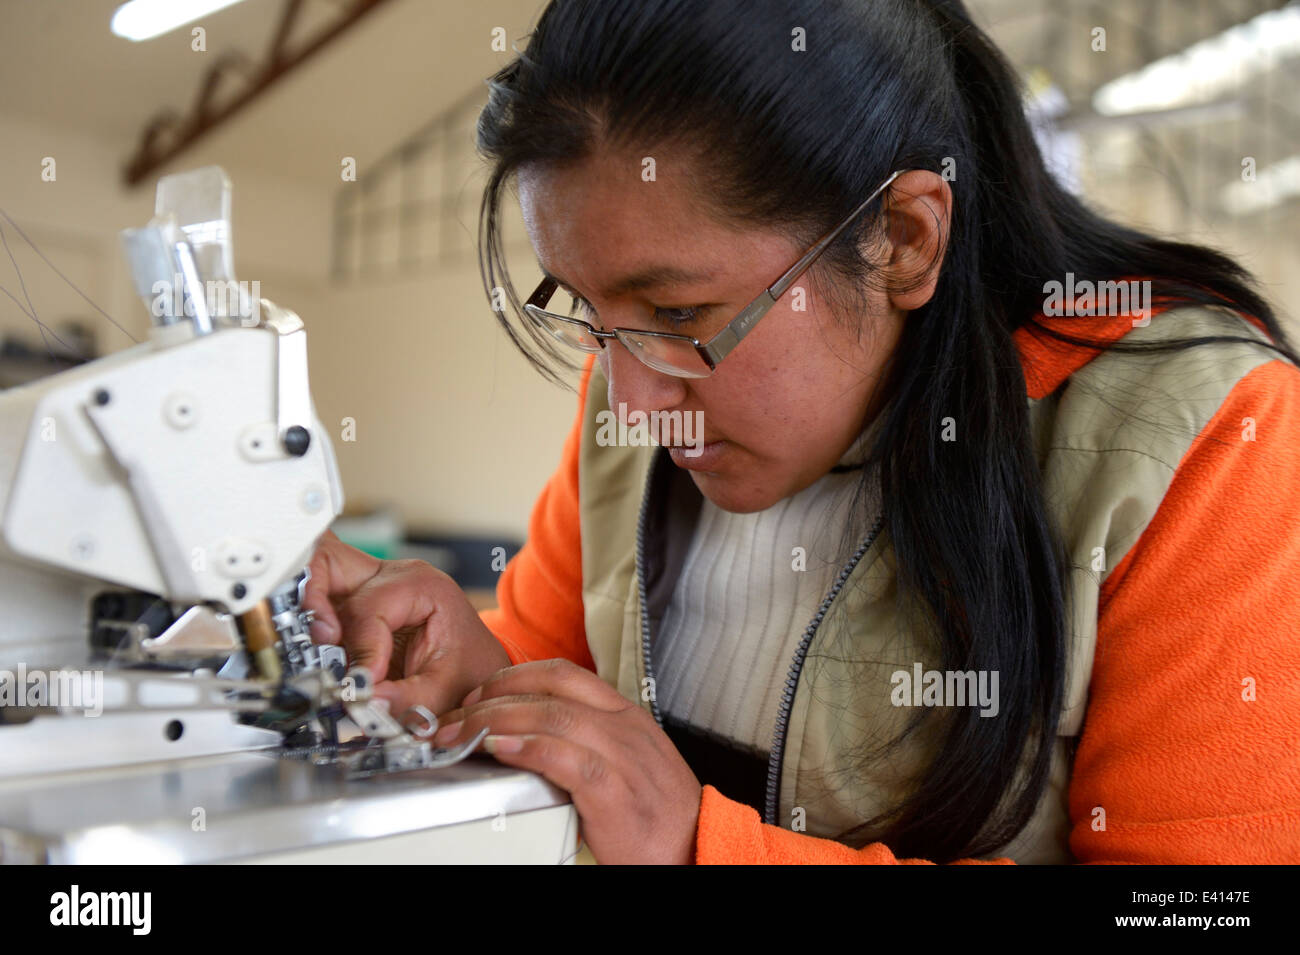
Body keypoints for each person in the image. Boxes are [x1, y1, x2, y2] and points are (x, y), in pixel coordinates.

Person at [304, 0, 1300, 864]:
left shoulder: (1202, 439)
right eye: (593, 316)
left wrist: (699, 842)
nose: (633, 400)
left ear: (903, 238)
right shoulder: (637, 398)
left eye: (683, 316)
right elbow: (562, 684)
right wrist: (479, 682)